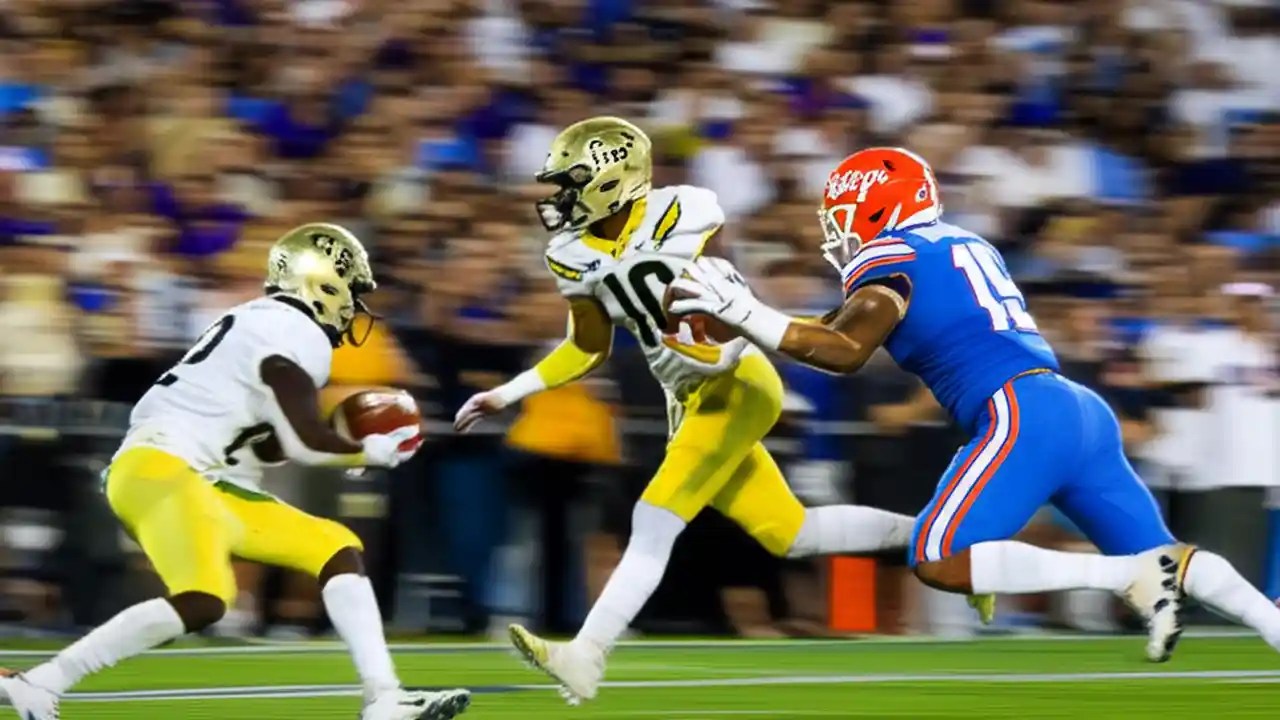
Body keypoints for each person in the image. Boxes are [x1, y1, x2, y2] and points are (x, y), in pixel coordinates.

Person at [668, 147, 1280, 663]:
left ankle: (1125, 577)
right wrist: (745, 325)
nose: (838, 229)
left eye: (843, 213)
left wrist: (741, 311)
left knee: (937, 559)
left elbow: (846, 349)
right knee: (1163, 551)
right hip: (1076, 409)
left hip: (1020, 413)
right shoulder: (960, 242)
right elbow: (831, 331)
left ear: (879, 205)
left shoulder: (890, 257)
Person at [453, 118, 988, 705]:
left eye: (574, 180)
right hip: (687, 398)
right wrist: (509, 392)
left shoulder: (688, 210)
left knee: (655, 519)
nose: (561, 194)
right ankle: (950, 542)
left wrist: (713, 331)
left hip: (735, 379)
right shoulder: (570, 254)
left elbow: (728, 295)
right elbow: (588, 347)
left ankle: (586, 655)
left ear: (613, 177)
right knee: (792, 534)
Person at [0, 224, 471, 720]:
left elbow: (267, 446)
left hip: (200, 476)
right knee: (205, 598)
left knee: (335, 549)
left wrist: (340, 438)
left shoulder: (259, 323)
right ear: (320, 285)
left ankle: (385, 697)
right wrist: (364, 451)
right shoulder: (297, 332)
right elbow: (302, 443)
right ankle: (42, 682)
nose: (353, 308)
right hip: (165, 468)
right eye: (349, 292)